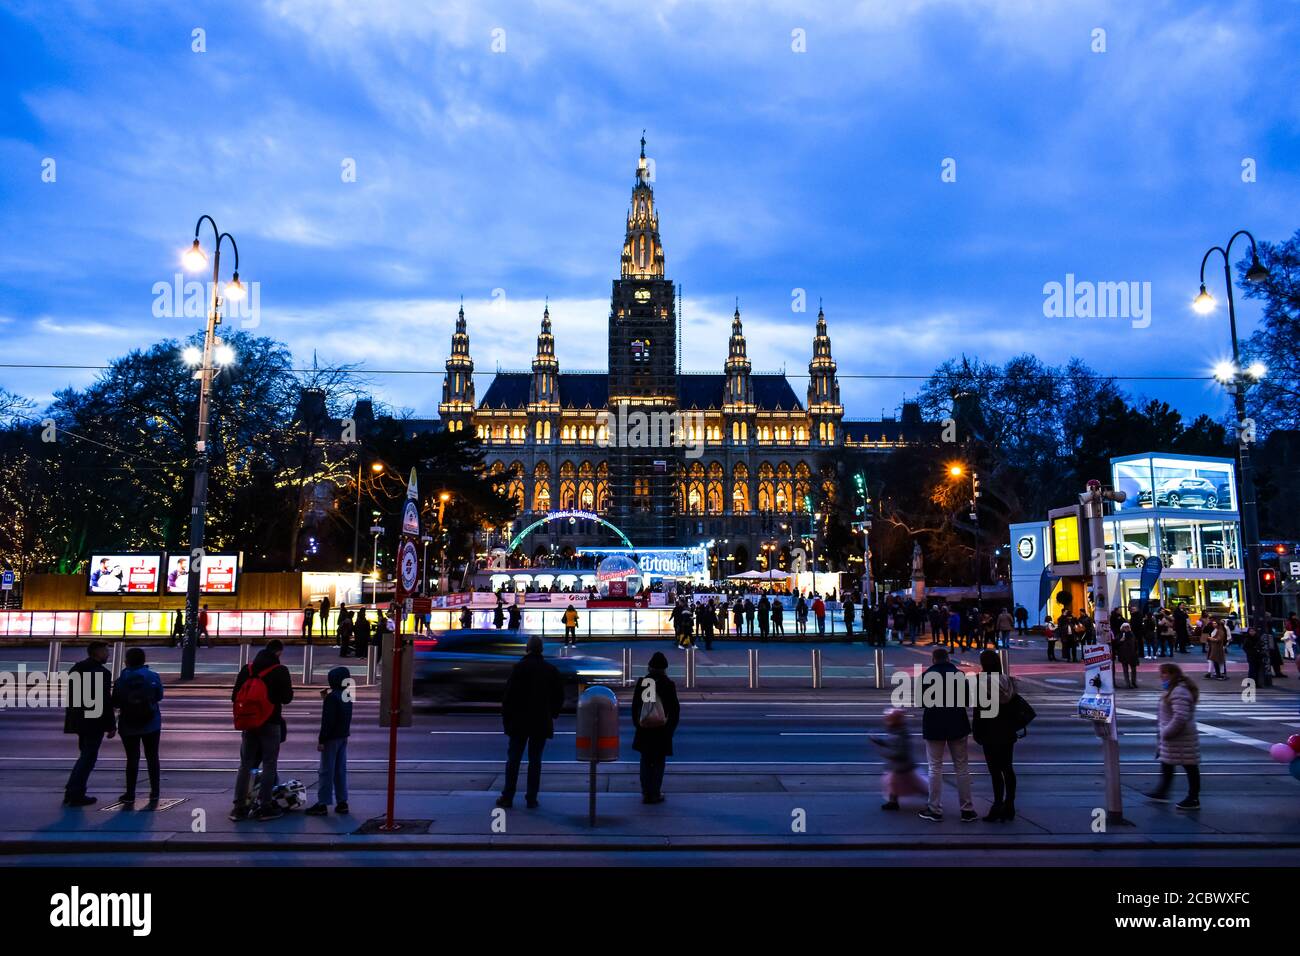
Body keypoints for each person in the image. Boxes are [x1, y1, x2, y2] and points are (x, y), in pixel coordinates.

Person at [496, 636, 564, 809]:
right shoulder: (550, 669)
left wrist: (507, 719)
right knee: (535, 760)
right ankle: (531, 798)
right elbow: (559, 696)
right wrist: (552, 714)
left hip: (519, 721)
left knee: (514, 759)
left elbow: (508, 697)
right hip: (541, 721)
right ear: (541, 649)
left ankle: (508, 796)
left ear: (528, 648)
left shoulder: (519, 668)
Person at [230, 639, 294, 822]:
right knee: (269, 764)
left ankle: (239, 807)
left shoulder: (247, 669)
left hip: (249, 724)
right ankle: (264, 806)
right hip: (270, 722)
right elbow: (287, 698)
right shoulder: (280, 671)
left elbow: (235, 696)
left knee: (246, 764)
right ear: (279, 653)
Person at [917, 646, 976, 823]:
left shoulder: (926, 676)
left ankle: (935, 809)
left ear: (933, 659)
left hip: (934, 725)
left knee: (935, 767)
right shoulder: (959, 675)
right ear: (948, 659)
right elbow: (967, 700)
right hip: (957, 724)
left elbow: (921, 702)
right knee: (962, 767)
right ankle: (967, 809)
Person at [63, 642, 116, 807]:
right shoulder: (102, 673)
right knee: (88, 757)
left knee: (84, 755)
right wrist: (111, 725)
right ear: (97, 652)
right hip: (94, 721)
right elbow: (104, 701)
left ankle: (72, 790)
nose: (108, 654)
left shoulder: (77, 668)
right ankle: (75, 792)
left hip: (79, 720)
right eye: (105, 651)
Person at [1144, 663, 1201, 811]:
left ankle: (1193, 798)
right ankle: (1162, 791)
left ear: (1172, 674)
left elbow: (1180, 717)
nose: (1161, 677)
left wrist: (1166, 732)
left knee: (1189, 766)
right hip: (1175, 737)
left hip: (1180, 737)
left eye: (1164, 674)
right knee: (1167, 763)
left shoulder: (1179, 691)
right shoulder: (1174, 689)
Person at [111, 647, 164, 806]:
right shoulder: (153, 676)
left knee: (132, 758)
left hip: (128, 724)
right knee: (152, 756)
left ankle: (130, 793)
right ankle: (155, 792)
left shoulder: (121, 679)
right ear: (143, 660)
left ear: (127, 661)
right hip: (151, 722)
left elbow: (116, 702)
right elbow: (159, 696)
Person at [972, 649, 1019, 822]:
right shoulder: (1007, 681)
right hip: (1007, 730)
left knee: (994, 771)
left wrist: (976, 730)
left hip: (990, 731)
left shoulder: (981, 682)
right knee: (1008, 768)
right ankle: (1010, 804)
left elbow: (979, 709)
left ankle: (997, 804)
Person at [632, 651, 680, 804]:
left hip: (645, 729)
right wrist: (670, 729)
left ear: (649, 667)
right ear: (665, 668)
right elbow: (674, 710)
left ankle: (646, 792)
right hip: (662, 730)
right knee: (659, 762)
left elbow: (636, 708)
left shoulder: (644, 683)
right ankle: (656, 792)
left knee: (645, 761)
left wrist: (638, 725)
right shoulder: (668, 685)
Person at [306, 666, 352, 816]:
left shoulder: (332, 698)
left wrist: (322, 740)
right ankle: (342, 802)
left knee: (326, 771)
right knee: (340, 770)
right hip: (343, 736)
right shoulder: (346, 695)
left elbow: (328, 721)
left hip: (331, 738)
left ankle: (323, 803)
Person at [871, 708, 927, 811]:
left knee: (913, 784)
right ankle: (893, 802)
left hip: (903, 765)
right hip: (899, 766)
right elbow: (891, 743)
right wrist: (879, 741)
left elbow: (899, 752)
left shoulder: (900, 734)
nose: (886, 723)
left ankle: (930, 799)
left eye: (888, 720)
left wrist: (885, 753)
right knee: (894, 783)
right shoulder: (897, 732)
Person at [1114, 622, 1140, 688]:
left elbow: (1135, 643)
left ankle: (1133, 682)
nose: (1127, 628)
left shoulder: (1132, 634)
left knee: (1133, 669)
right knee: (1125, 669)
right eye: (1125, 627)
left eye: (1128, 627)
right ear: (1122, 628)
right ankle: (1128, 684)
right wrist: (1120, 641)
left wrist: (1136, 652)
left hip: (1132, 654)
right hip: (1123, 654)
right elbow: (1116, 644)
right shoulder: (1120, 635)